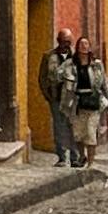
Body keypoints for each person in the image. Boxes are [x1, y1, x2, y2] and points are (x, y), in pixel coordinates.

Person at [41, 32, 83, 168]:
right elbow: (42, 77)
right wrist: (48, 95)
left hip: (73, 98)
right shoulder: (49, 56)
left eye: (68, 41)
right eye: (63, 41)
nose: (66, 44)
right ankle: (62, 157)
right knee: (59, 127)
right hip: (56, 98)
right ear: (58, 41)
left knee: (73, 127)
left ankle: (75, 157)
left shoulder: (77, 57)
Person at [75, 44, 108, 170]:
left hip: (93, 101)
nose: (84, 46)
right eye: (81, 44)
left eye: (86, 44)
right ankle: (82, 156)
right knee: (78, 134)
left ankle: (90, 163)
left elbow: (104, 84)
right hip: (77, 103)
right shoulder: (72, 64)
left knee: (90, 133)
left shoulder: (97, 64)